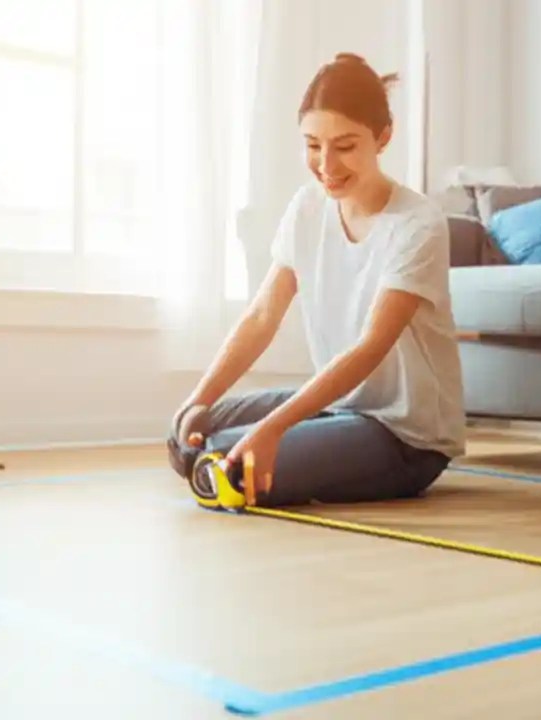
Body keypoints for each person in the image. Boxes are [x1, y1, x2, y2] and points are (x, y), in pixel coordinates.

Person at [167, 53, 466, 509]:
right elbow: (263, 315)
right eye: (312, 145)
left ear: (383, 137)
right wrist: (197, 399)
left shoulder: (418, 224)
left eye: (345, 146)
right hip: (344, 407)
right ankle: (220, 456)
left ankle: (227, 462)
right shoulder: (308, 207)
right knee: (194, 430)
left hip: (405, 434)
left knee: (230, 459)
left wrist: (272, 429)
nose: (327, 164)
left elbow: (370, 348)